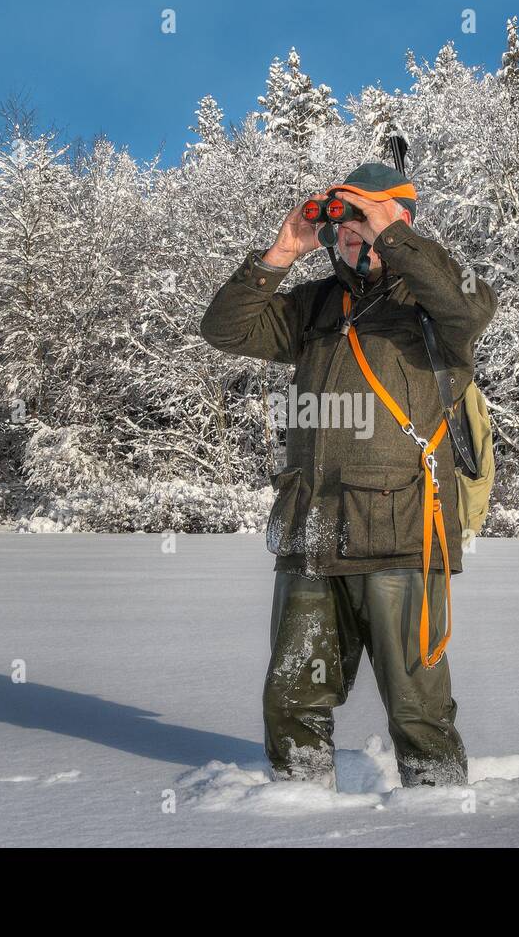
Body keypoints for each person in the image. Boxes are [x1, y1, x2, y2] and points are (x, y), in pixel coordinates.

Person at [199, 163, 496, 788]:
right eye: (347, 228)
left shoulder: (436, 302)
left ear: (401, 220)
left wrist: (391, 233)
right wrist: (282, 250)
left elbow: (470, 308)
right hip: (311, 533)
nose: (355, 239)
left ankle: (439, 819)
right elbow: (223, 329)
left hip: (403, 535)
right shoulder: (315, 306)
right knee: (292, 702)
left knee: (418, 712)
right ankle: (297, 814)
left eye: (368, 224)